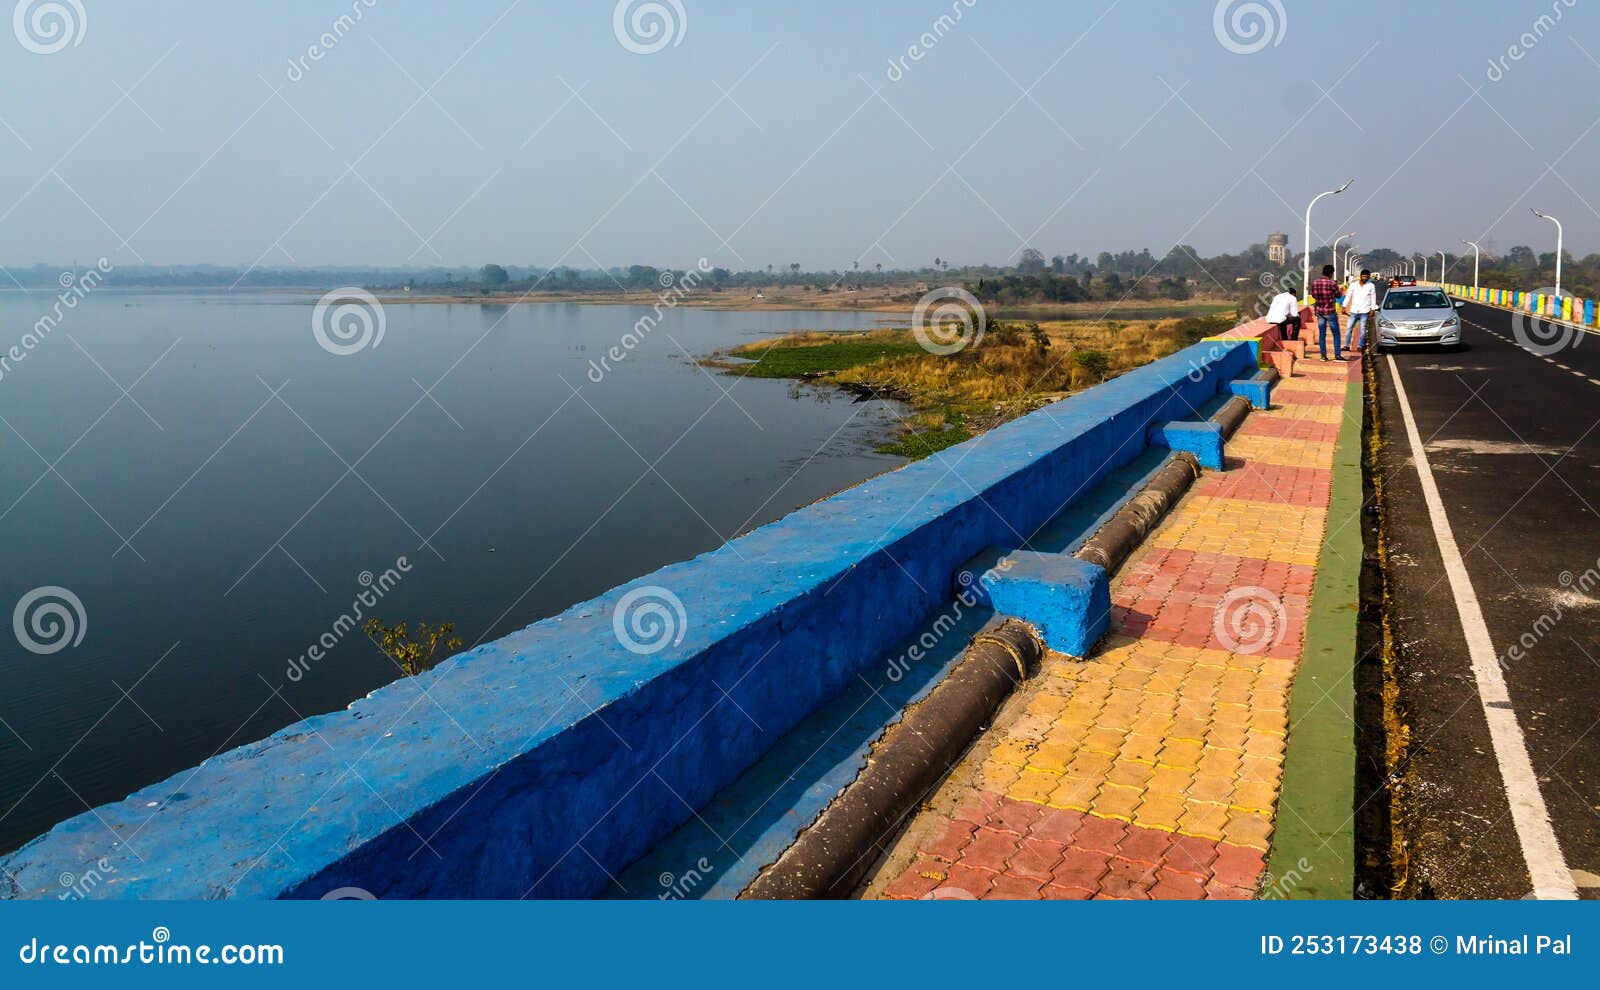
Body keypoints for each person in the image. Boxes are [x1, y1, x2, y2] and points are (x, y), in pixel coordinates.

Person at [1310, 263, 1343, 361]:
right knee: (1336, 334)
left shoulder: (1315, 283)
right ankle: (1337, 355)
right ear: (1331, 273)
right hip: (1330, 311)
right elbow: (1338, 296)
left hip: (1320, 311)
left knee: (1322, 334)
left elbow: (1314, 296)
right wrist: (1339, 290)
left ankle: (1323, 356)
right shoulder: (1332, 284)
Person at [1343, 268, 1377, 352]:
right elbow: (1348, 296)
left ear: (1369, 277)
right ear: (1360, 276)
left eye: (1366, 277)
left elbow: (1373, 298)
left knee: (1363, 330)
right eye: (1363, 276)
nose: (1364, 278)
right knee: (1348, 328)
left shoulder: (1371, 286)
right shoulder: (1353, 285)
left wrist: (1372, 309)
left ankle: (1360, 345)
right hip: (1354, 310)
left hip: (1364, 311)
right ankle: (1346, 345)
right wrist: (1344, 306)